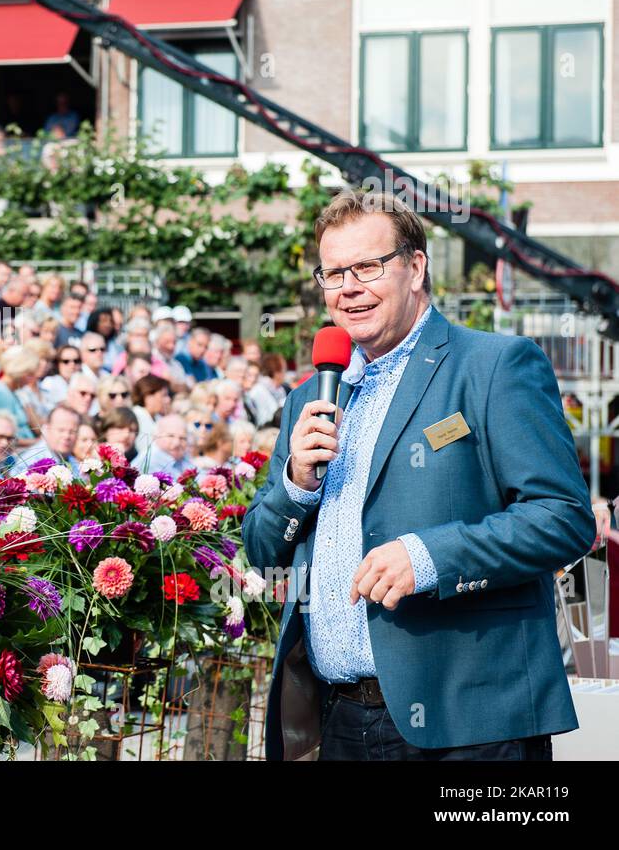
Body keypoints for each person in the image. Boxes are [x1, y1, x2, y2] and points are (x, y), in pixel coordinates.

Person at [244, 190, 594, 762]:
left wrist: (430, 557)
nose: (348, 288)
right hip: (338, 721)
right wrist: (294, 485)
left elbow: (563, 518)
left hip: (470, 726)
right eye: (333, 273)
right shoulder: (307, 399)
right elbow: (262, 554)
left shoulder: (494, 366)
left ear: (415, 267)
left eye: (367, 266)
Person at [10, 403, 81, 476]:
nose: (67, 436)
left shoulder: (73, 462)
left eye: (72, 432)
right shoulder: (31, 462)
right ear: (47, 429)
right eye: (61, 430)